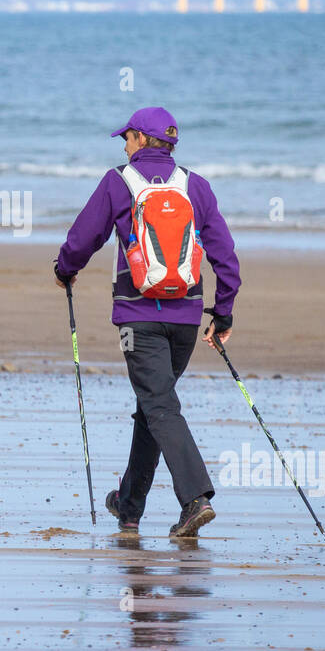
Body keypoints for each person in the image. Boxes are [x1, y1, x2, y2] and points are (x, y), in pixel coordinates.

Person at [53, 106, 239, 538]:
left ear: (140, 139)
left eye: (127, 137)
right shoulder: (196, 186)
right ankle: (129, 506)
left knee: (158, 406)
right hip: (188, 318)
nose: (123, 144)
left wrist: (64, 269)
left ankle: (195, 499)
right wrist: (223, 310)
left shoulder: (119, 181)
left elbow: (83, 239)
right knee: (153, 408)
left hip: (138, 318)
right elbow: (225, 256)